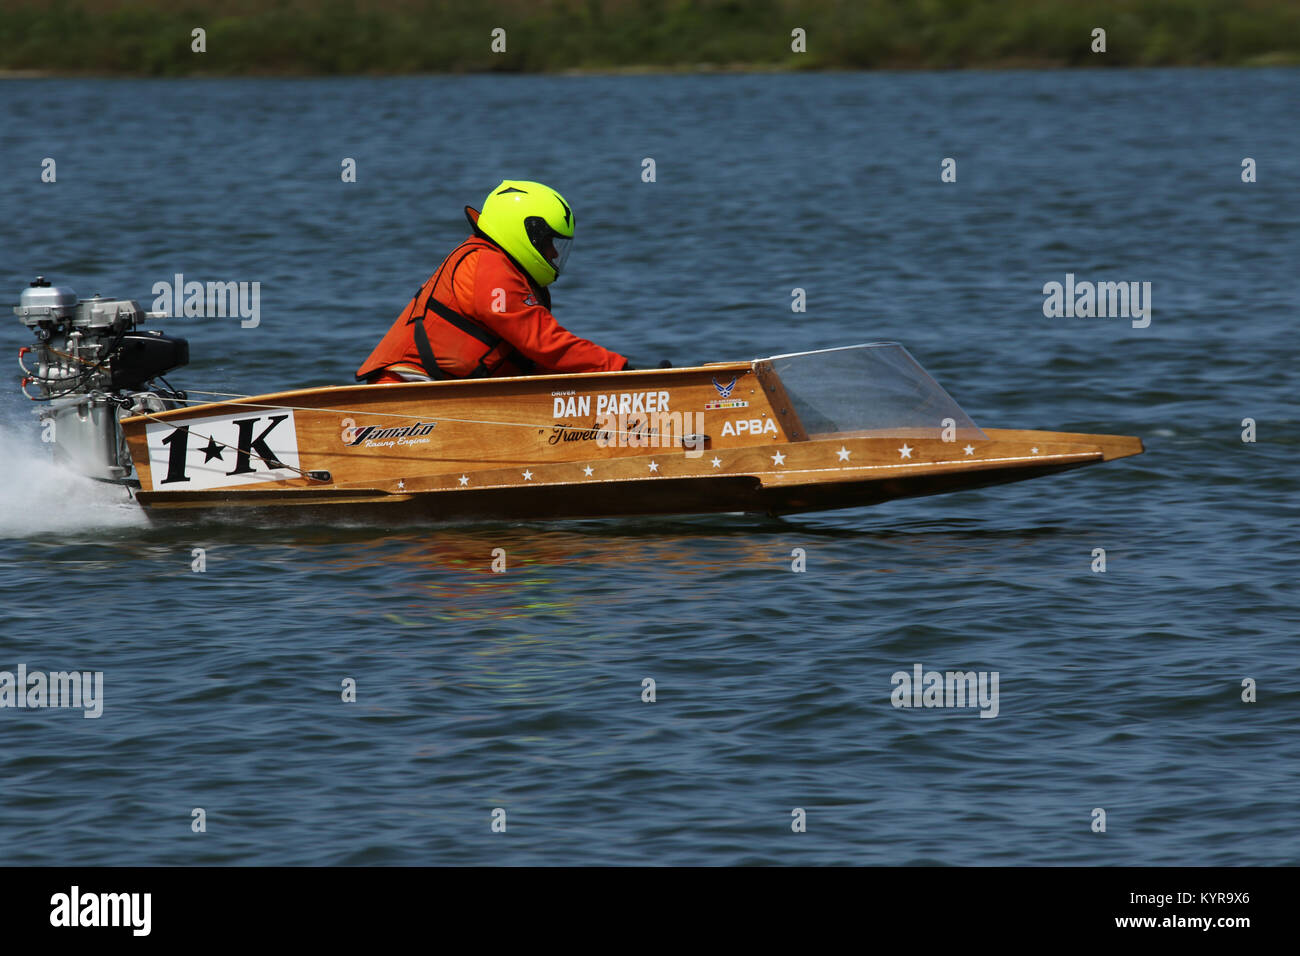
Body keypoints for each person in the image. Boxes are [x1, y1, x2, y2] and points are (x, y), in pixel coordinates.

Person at [357, 180, 629, 383]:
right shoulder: (488, 266)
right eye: (548, 242)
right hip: (404, 391)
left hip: (446, 395)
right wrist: (620, 370)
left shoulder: (501, 268)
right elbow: (543, 343)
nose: (554, 253)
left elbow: (536, 362)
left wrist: (604, 380)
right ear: (523, 231)